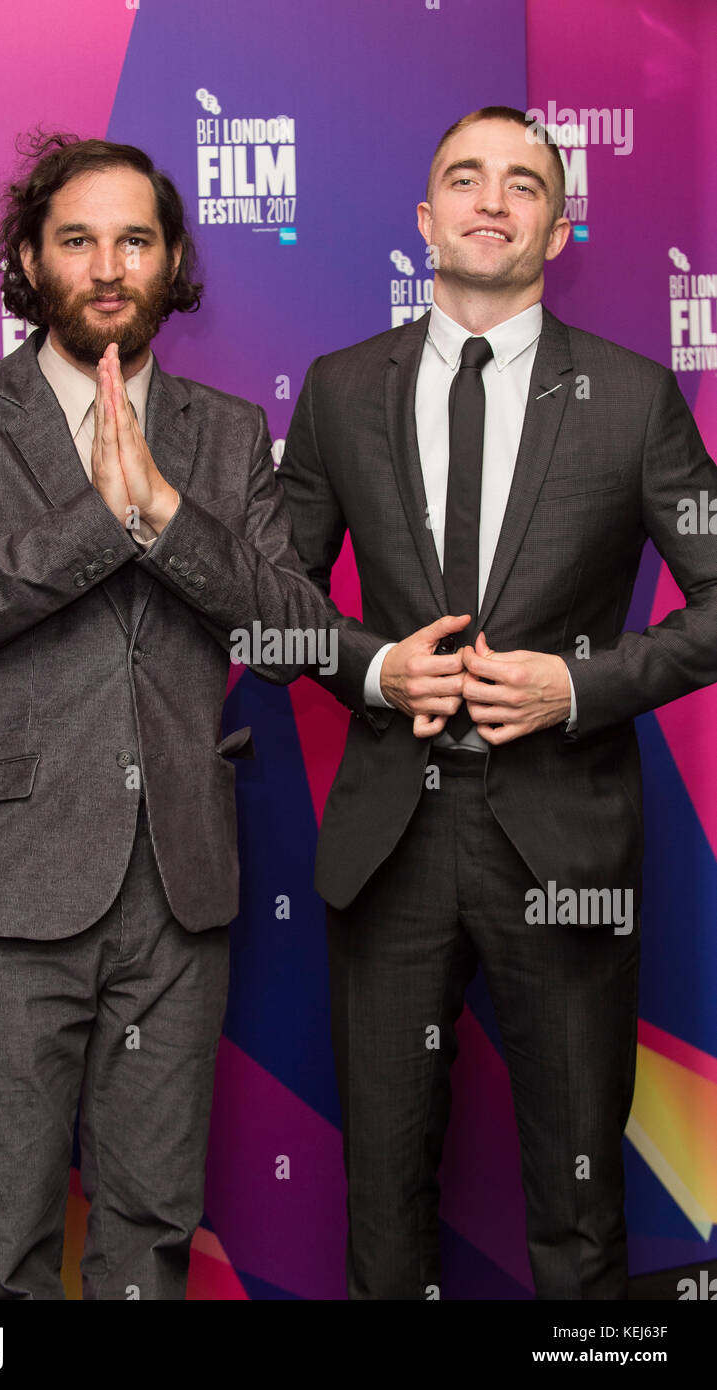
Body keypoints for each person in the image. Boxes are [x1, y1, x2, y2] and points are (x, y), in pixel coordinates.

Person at [0, 131, 328, 1300]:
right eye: (78, 240)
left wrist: (169, 516)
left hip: (177, 895)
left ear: (173, 260)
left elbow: (289, 634)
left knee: (150, 1238)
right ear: (31, 259)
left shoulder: (226, 435)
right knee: (9, 1243)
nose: (109, 265)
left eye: (136, 239)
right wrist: (96, 524)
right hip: (3, 895)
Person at [277, 105, 717, 1299]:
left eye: (521, 183)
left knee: (579, 1209)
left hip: (563, 837)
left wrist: (578, 684)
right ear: (424, 219)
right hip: (389, 842)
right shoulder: (336, 391)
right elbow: (270, 595)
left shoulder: (632, 400)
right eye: (463, 179)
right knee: (383, 1206)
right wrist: (374, 665)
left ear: (557, 226)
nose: (489, 199)